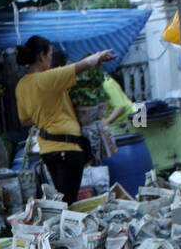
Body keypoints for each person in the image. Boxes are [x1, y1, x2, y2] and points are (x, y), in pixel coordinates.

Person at [15, 36, 115, 204]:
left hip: (47, 150)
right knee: (68, 203)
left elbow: (25, 120)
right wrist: (98, 57)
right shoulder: (48, 78)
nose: (51, 59)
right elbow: (79, 67)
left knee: (63, 200)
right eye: (50, 55)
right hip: (66, 150)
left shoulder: (21, 86)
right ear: (41, 56)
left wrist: (45, 113)